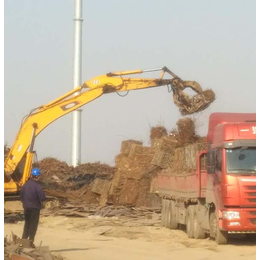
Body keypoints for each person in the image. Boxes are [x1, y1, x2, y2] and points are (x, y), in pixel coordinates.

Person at [20, 168, 46, 247]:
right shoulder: (38, 187)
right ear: (38, 177)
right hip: (35, 208)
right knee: (33, 225)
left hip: (26, 207)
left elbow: (21, 196)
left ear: (31, 175)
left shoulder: (25, 185)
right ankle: (30, 242)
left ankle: (23, 241)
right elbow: (42, 197)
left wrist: (25, 203)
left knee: (27, 224)